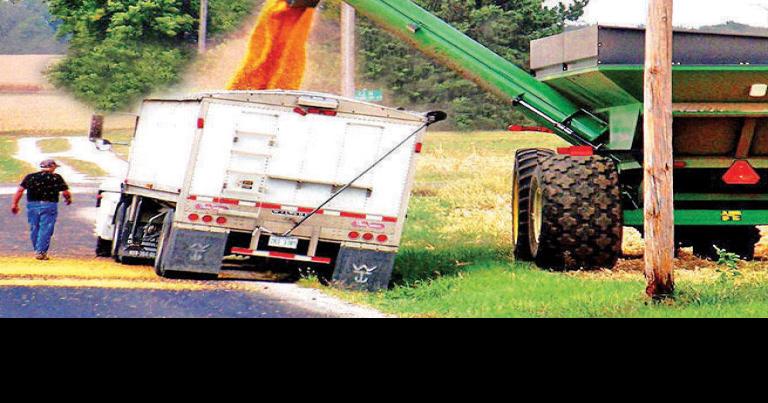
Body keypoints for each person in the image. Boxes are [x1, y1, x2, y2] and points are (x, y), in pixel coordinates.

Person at [10, 159, 72, 260]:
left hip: (32, 205)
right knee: (46, 228)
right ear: (52, 167)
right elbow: (65, 192)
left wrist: (14, 204)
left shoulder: (30, 177)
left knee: (34, 227)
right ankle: (41, 251)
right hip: (49, 204)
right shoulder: (56, 178)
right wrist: (68, 199)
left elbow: (20, 190)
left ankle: (37, 250)